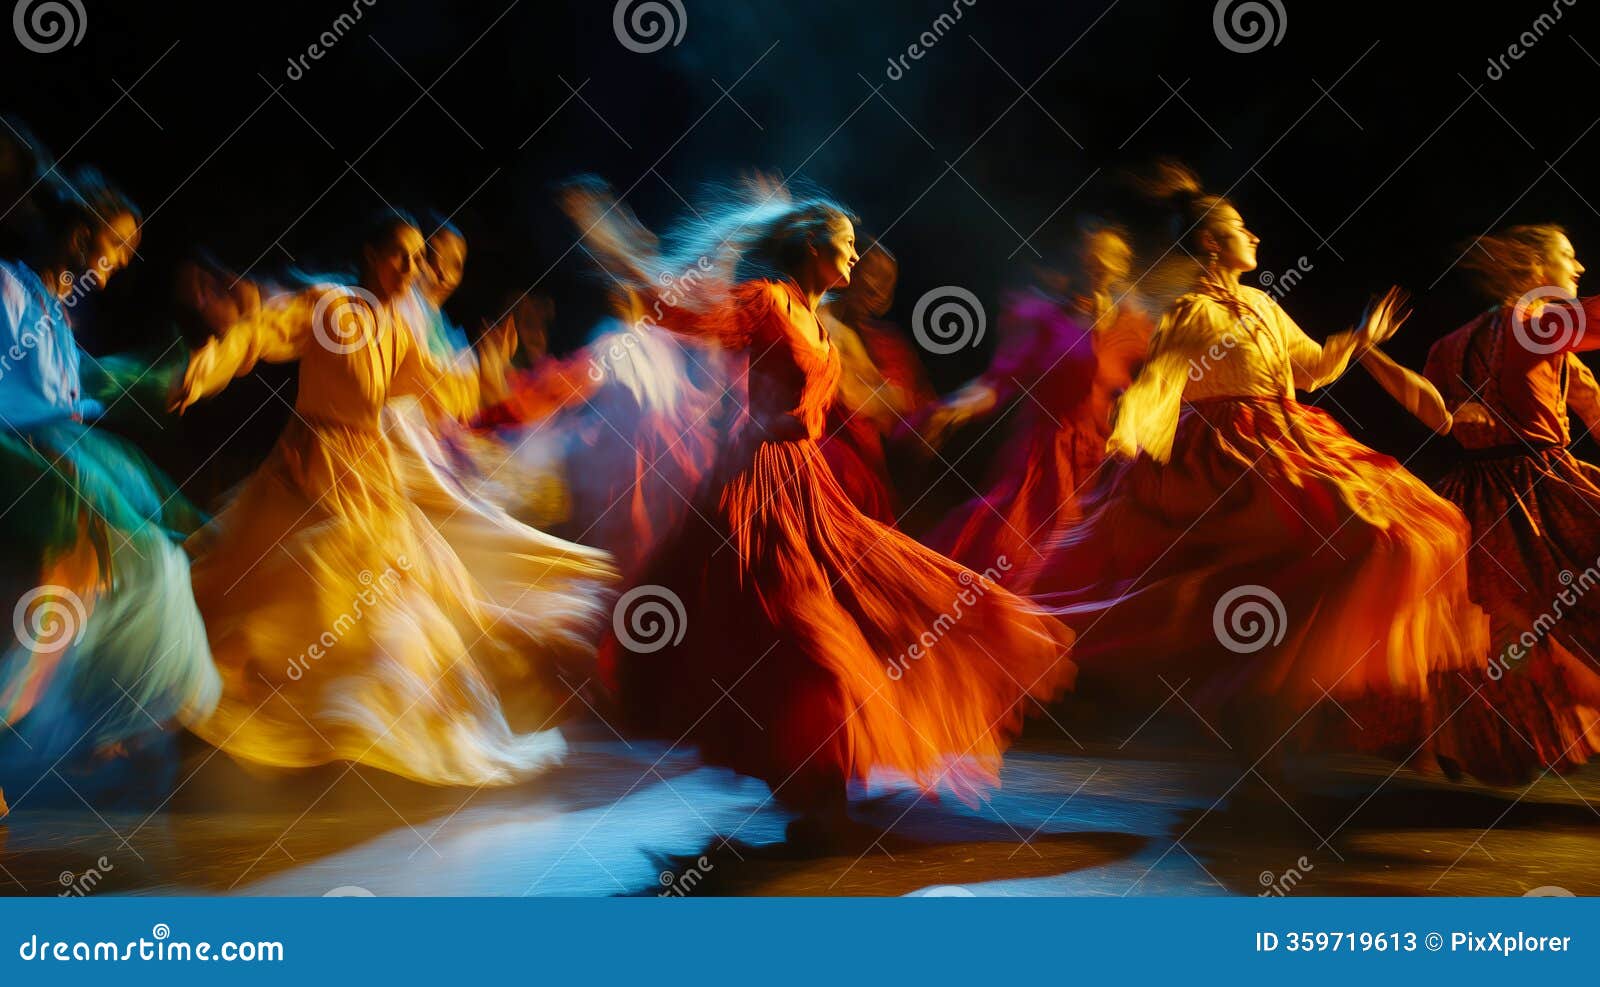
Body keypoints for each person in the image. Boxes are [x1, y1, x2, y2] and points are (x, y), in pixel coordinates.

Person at [563, 176, 1076, 842]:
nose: (856, 259)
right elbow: (678, 310)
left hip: (808, 483)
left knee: (869, 607)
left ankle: (819, 779)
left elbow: (846, 397)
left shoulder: (816, 315)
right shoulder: (764, 300)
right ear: (810, 249)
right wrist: (607, 235)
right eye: (846, 246)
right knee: (801, 632)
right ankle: (815, 785)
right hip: (757, 485)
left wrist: (930, 416)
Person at [1028, 165, 1488, 763]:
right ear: (1214, 243)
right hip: (1230, 451)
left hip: (1290, 435)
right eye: (1244, 229)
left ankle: (1281, 695)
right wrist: (1129, 442)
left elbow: (1311, 370)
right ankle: (1248, 707)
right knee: (1270, 563)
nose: (1258, 238)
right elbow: (1160, 383)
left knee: (1409, 529)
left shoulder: (1262, 303)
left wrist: (1360, 336)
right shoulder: (1190, 312)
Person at [169, 213, 610, 787]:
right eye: (399, 255)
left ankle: (357, 729)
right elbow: (259, 333)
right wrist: (205, 369)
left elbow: (433, 390)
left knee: (385, 596)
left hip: (367, 475)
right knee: (280, 583)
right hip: (311, 463)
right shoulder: (329, 305)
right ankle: (242, 712)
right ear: (370, 257)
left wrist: (485, 371)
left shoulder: (398, 330)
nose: (411, 268)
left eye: (415, 256)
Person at [0, 173, 218, 800]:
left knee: (153, 569)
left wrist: (159, 373)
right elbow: (29, 397)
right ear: (79, 235)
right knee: (75, 589)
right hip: (25, 458)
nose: (122, 261)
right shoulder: (10, 288)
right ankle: (75, 729)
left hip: (63, 458)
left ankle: (101, 729)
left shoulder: (56, 313)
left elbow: (83, 387)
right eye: (117, 244)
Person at [1421, 224, 1600, 781]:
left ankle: (1473, 740)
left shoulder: (1446, 346)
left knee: (1492, 631)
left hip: (1470, 500)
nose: (1579, 269)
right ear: (1533, 271)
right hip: (1538, 490)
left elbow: (1588, 401)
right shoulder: (1540, 323)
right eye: (1567, 258)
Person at [923, 222, 1153, 587]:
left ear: (1122, 265)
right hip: (1045, 455)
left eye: (1109, 256)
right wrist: (958, 407)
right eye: (1091, 255)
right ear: (1077, 260)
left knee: (1092, 566)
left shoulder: (1134, 326)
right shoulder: (1042, 319)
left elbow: (1160, 385)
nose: (1098, 263)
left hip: (1104, 457)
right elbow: (999, 381)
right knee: (1017, 557)